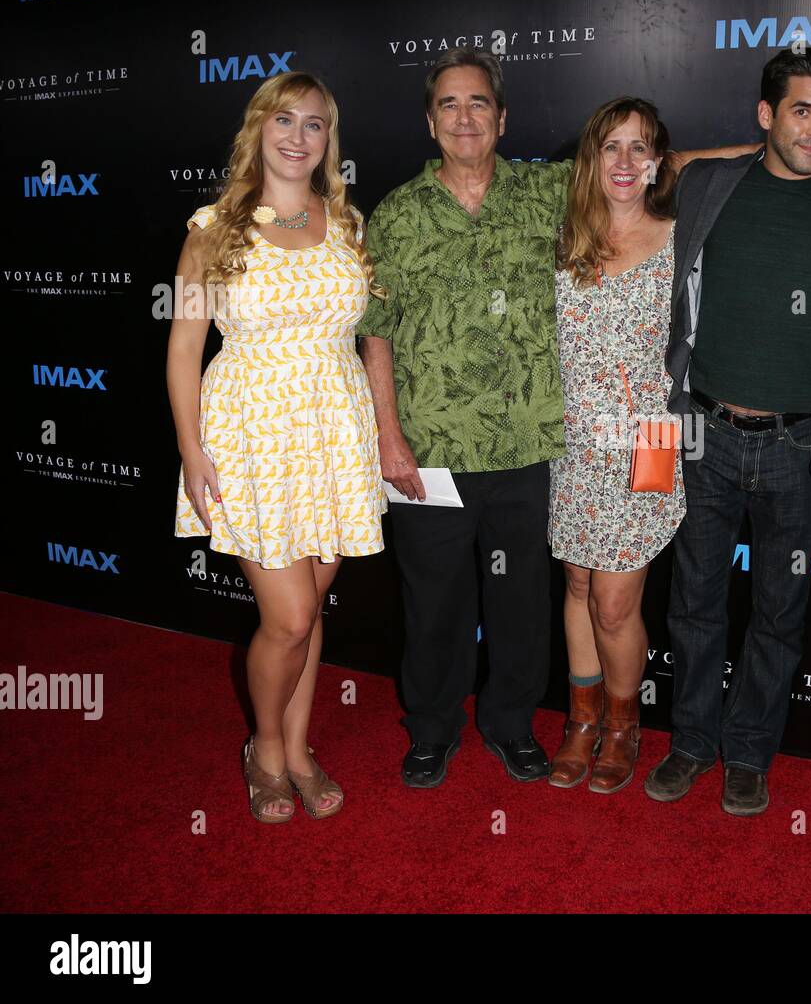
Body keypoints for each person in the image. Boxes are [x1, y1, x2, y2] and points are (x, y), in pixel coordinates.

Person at [358, 48, 749, 790]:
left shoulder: (611, 213)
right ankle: (502, 727)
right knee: (516, 594)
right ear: (430, 119)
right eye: (450, 104)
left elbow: (665, 162)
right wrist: (388, 433)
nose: (466, 117)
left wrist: (774, 149)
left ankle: (588, 726)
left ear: (502, 118)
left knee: (589, 597)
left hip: (621, 437)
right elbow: (376, 323)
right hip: (511, 441)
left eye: (480, 103)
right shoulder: (429, 212)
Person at [650, 47, 811, 816]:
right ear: (766, 115)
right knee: (694, 605)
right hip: (703, 436)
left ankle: (749, 754)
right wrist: (740, 152)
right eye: (800, 111)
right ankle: (690, 743)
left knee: (781, 612)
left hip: (795, 446)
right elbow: (657, 165)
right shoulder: (711, 184)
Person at [168, 71, 387, 823]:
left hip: (334, 432)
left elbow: (363, 337)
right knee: (290, 616)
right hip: (252, 439)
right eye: (284, 120)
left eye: (316, 124)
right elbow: (184, 348)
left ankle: (299, 749)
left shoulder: (347, 223)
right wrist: (193, 453)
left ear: (330, 140)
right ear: (258, 128)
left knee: (312, 605)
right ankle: (264, 748)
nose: (299, 136)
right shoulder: (213, 230)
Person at [547, 97, 684, 793]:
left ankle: (625, 726)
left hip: (648, 438)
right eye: (612, 147)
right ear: (592, 158)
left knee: (614, 602)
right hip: (570, 440)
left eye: (641, 147)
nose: (626, 162)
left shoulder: (679, 236)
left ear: (659, 159)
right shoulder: (565, 236)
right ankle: (581, 720)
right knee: (575, 583)